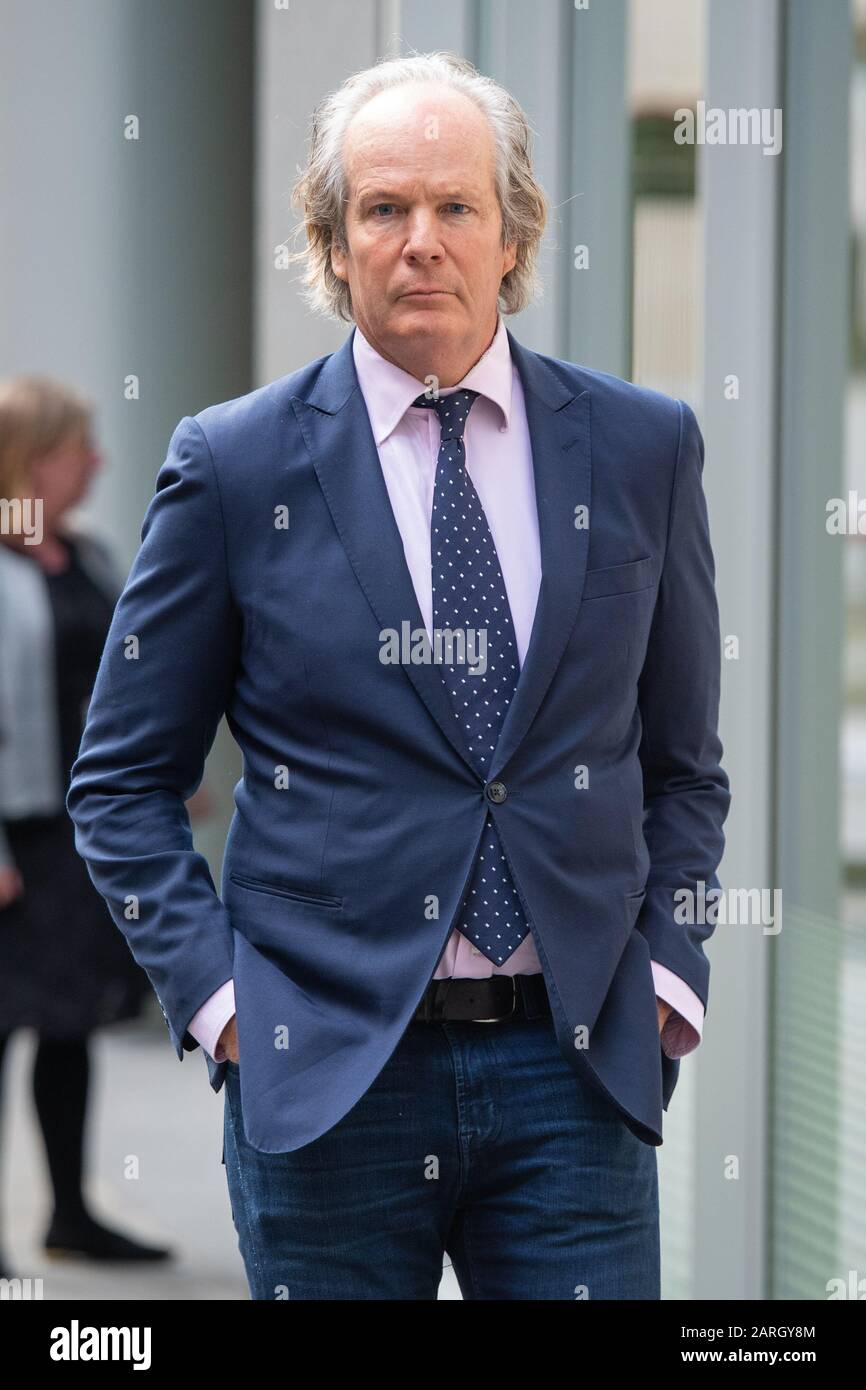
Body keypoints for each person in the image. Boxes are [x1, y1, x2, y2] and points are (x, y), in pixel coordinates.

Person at [67, 51, 731, 1300]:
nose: (419, 241)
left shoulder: (642, 447)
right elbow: (118, 782)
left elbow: (683, 767)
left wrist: (667, 969)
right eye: (382, 209)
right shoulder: (235, 465)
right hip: (325, 1079)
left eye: (453, 207)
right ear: (331, 239)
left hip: (573, 1071)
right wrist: (223, 1013)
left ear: (510, 231)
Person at [0, 376, 170, 1276]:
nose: (96, 463)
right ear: (26, 461)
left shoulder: (90, 558)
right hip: (10, 839)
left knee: (67, 1026)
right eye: (77, 449)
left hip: (69, 846)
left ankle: (70, 1213)